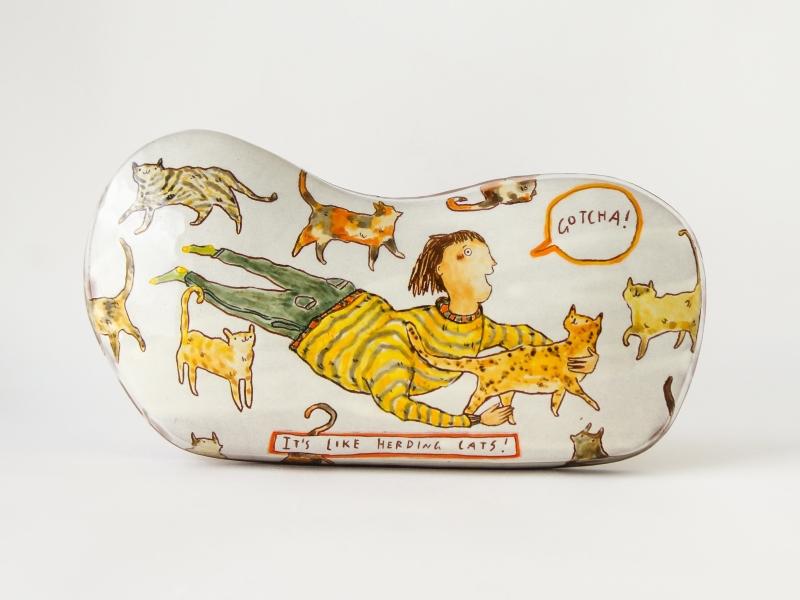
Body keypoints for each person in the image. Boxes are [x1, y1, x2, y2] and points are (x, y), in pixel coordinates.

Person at [150, 230, 598, 427]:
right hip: (348, 300)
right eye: (469, 254)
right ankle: (215, 253)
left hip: (316, 329)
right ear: (441, 271)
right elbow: (399, 404)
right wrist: (469, 420)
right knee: (272, 270)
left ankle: (192, 278)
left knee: (241, 302)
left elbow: (399, 404)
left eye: (483, 254)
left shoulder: (480, 334)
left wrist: (570, 357)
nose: (491, 261)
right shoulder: (418, 329)